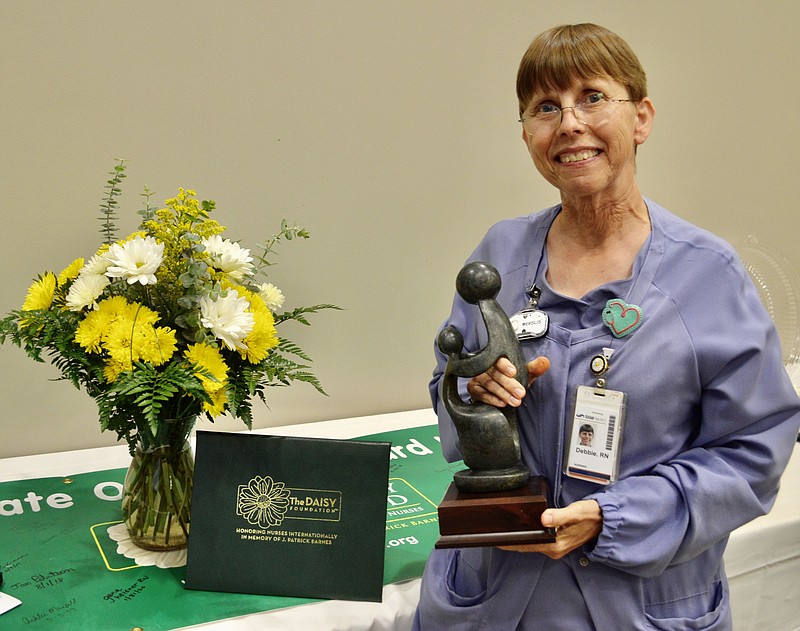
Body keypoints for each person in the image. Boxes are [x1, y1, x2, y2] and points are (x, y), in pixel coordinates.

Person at [413, 23, 800, 630]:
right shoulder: (501, 253)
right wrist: (471, 389)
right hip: (493, 600)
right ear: (526, 134)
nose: (569, 123)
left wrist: (614, 518)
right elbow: (449, 387)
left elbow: (753, 450)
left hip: (638, 605)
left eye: (593, 96)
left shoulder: (707, 274)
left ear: (641, 117)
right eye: (545, 107)